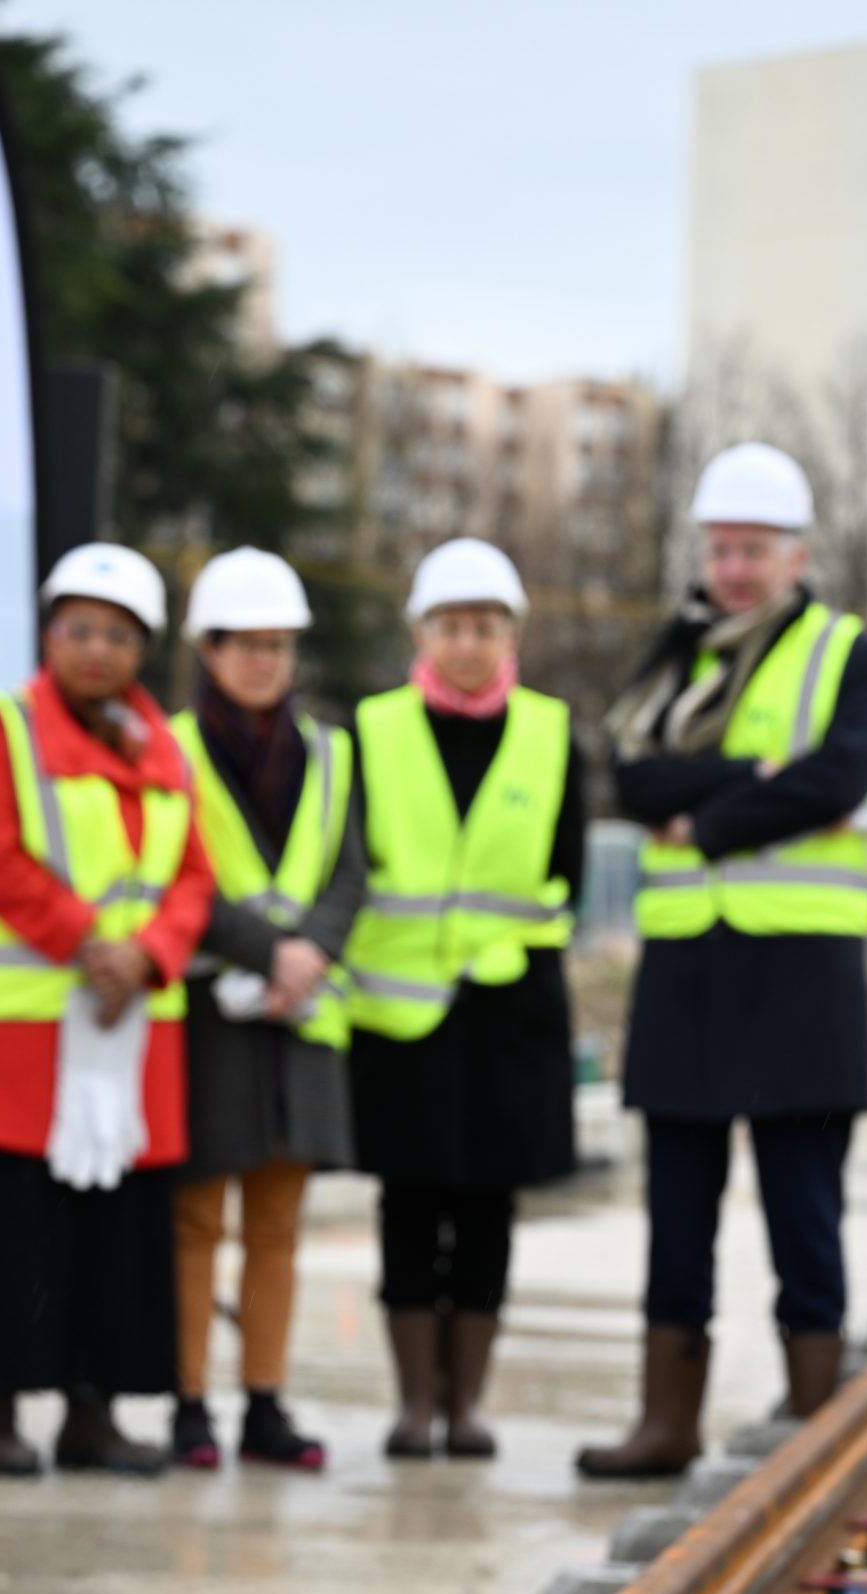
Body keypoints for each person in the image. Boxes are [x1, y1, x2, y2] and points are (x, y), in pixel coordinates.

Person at [578, 442, 867, 1479]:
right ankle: (666, 1422)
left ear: (797, 555)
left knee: (804, 1206)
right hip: (687, 973)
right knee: (676, 1211)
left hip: (802, 972)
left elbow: (838, 777)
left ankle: (814, 1419)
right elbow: (633, 780)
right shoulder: (678, 653)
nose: (735, 570)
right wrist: (749, 777)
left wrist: (706, 822)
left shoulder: (848, 654)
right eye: (720, 550)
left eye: (754, 551)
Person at [0, 542, 214, 1476]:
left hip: (130, 1031)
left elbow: (192, 876)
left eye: (117, 635)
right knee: (7, 1228)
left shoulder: (165, 748)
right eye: (79, 628)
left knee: (115, 1237)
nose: (96, 648)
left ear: (144, 649)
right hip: (22, 1027)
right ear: (48, 634)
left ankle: (93, 1416)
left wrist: (150, 954)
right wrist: (88, 943)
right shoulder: (4, 729)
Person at [346, 538, 583, 1458]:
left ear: (510, 636)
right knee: (408, 1207)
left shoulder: (552, 733)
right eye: (450, 626)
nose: (468, 644)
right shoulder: (372, 731)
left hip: (509, 1010)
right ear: (420, 633)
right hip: (402, 1010)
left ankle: (466, 1406)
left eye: (484, 627)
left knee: (487, 1209)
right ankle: (413, 1405)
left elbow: (565, 866)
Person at [168, 548, 366, 1470]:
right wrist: (269, 952)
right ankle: (188, 1404)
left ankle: (264, 1404)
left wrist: (309, 954)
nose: (262, 661)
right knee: (195, 1221)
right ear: (207, 650)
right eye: (244, 644)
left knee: (278, 1227)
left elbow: (349, 872)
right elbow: (173, 872)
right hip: (211, 1012)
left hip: (299, 1016)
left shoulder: (330, 752)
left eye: (277, 645)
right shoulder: (172, 749)